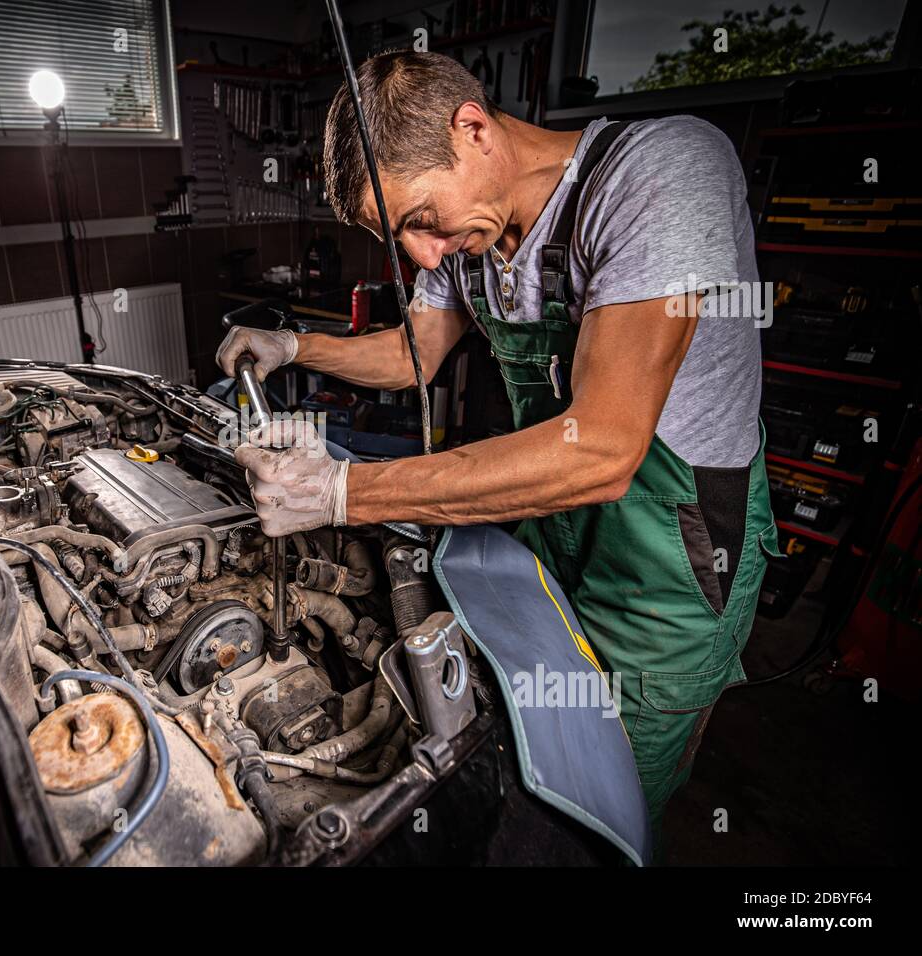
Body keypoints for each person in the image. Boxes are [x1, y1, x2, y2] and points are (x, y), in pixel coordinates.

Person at [217, 51, 777, 847]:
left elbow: (604, 450)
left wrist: (340, 493)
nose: (423, 256)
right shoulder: (470, 236)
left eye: (418, 219)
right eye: (397, 237)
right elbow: (412, 354)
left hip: (673, 565)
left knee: (606, 808)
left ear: (473, 129)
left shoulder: (661, 171)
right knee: (532, 756)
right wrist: (291, 344)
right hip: (551, 533)